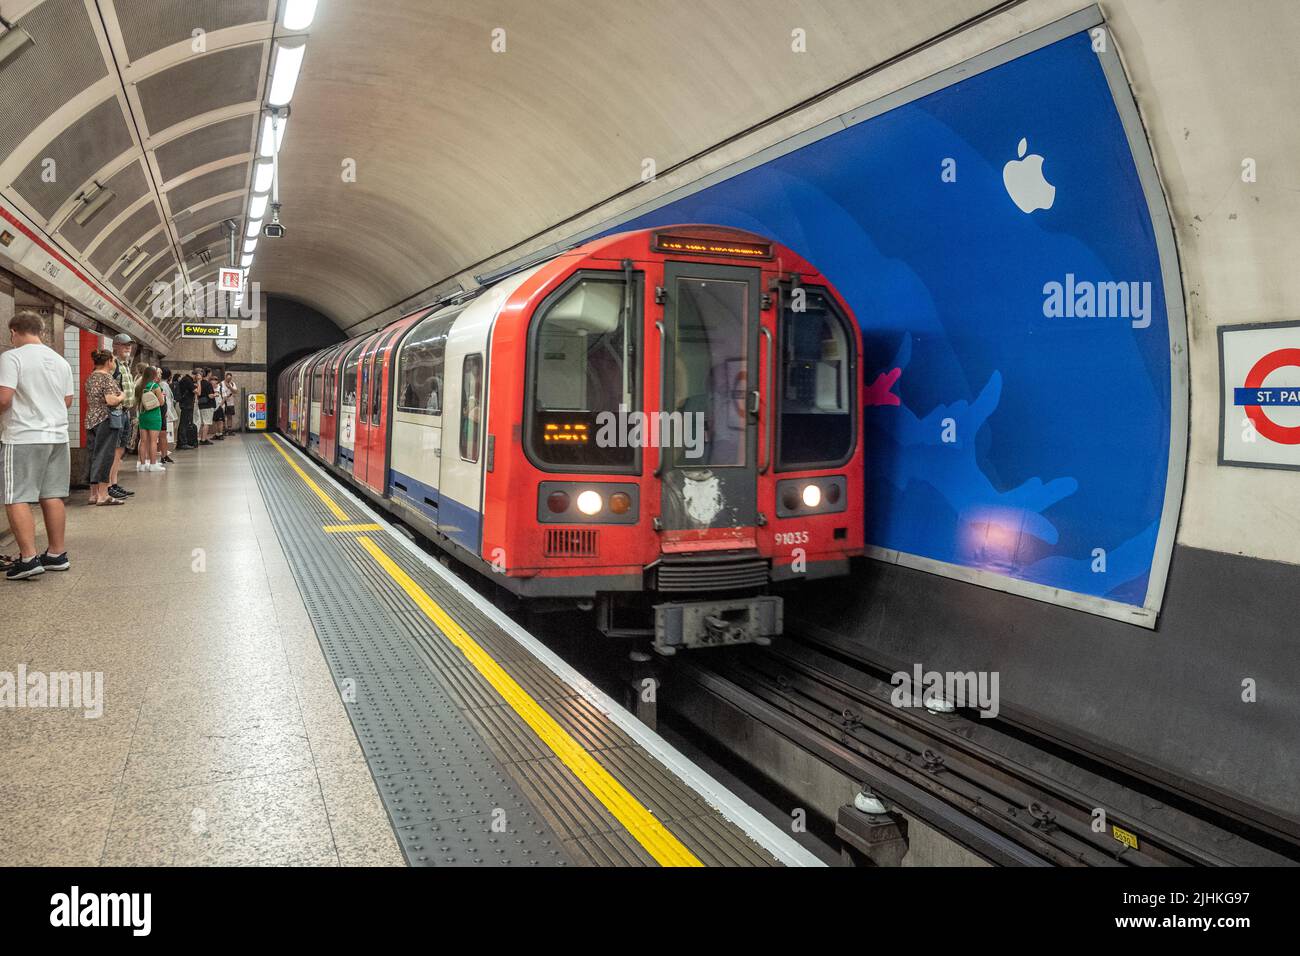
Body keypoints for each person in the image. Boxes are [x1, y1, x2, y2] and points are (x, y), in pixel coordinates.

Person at [0, 311, 74, 580]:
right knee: (52, 494)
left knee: (16, 496)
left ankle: (29, 558)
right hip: (57, 436)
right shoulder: (60, 361)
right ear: (41, 331)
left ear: (14, 332)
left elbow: (4, 397)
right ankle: (56, 554)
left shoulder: (12, 357)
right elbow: (67, 400)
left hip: (24, 436)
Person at [83, 348, 126, 506]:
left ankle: (93, 494)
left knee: (93, 455)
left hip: (91, 419)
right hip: (105, 419)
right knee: (105, 455)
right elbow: (111, 400)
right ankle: (103, 495)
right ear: (109, 362)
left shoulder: (91, 377)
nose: (113, 363)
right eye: (113, 361)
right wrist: (122, 395)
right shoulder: (107, 378)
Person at [106, 333, 136, 500]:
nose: (127, 347)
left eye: (129, 345)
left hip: (124, 412)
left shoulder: (125, 365)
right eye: (124, 345)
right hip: (115, 411)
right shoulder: (113, 365)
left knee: (120, 450)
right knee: (114, 450)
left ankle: (114, 483)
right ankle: (109, 486)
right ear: (115, 346)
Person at [135, 367, 165, 472]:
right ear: (153, 375)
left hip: (143, 415)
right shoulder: (155, 386)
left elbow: (137, 402)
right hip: (154, 416)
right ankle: (153, 464)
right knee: (153, 441)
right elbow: (161, 403)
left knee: (143, 441)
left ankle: (142, 465)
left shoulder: (139, 386)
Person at [158, 366, 176, 463]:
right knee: (163, 436)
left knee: (164, 435)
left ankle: (164, 455)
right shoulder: (163, 385)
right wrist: (168, 413)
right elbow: (166, 401)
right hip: (165, 412)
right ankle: (164, 454)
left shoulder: (164, 384)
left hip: (166, 411)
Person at [174, 369, 196, 448]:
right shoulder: (188, 380)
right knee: (184, 423)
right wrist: (199, 381)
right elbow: (197, 392)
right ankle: (183, 443)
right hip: (186, 405)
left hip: (184, 404)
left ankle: (182, 441)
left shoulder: (185, 379)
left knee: (184, 423)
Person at [196, 367, 216, 444]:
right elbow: (210, 395)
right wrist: (216, 394)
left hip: (201, 405)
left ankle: (201, 438)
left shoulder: (199, 383)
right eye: (211, 373)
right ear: (208, 373)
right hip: (208, 405)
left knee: (202, 423)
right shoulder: (208, 384)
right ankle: (203, 439)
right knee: (206, 423)